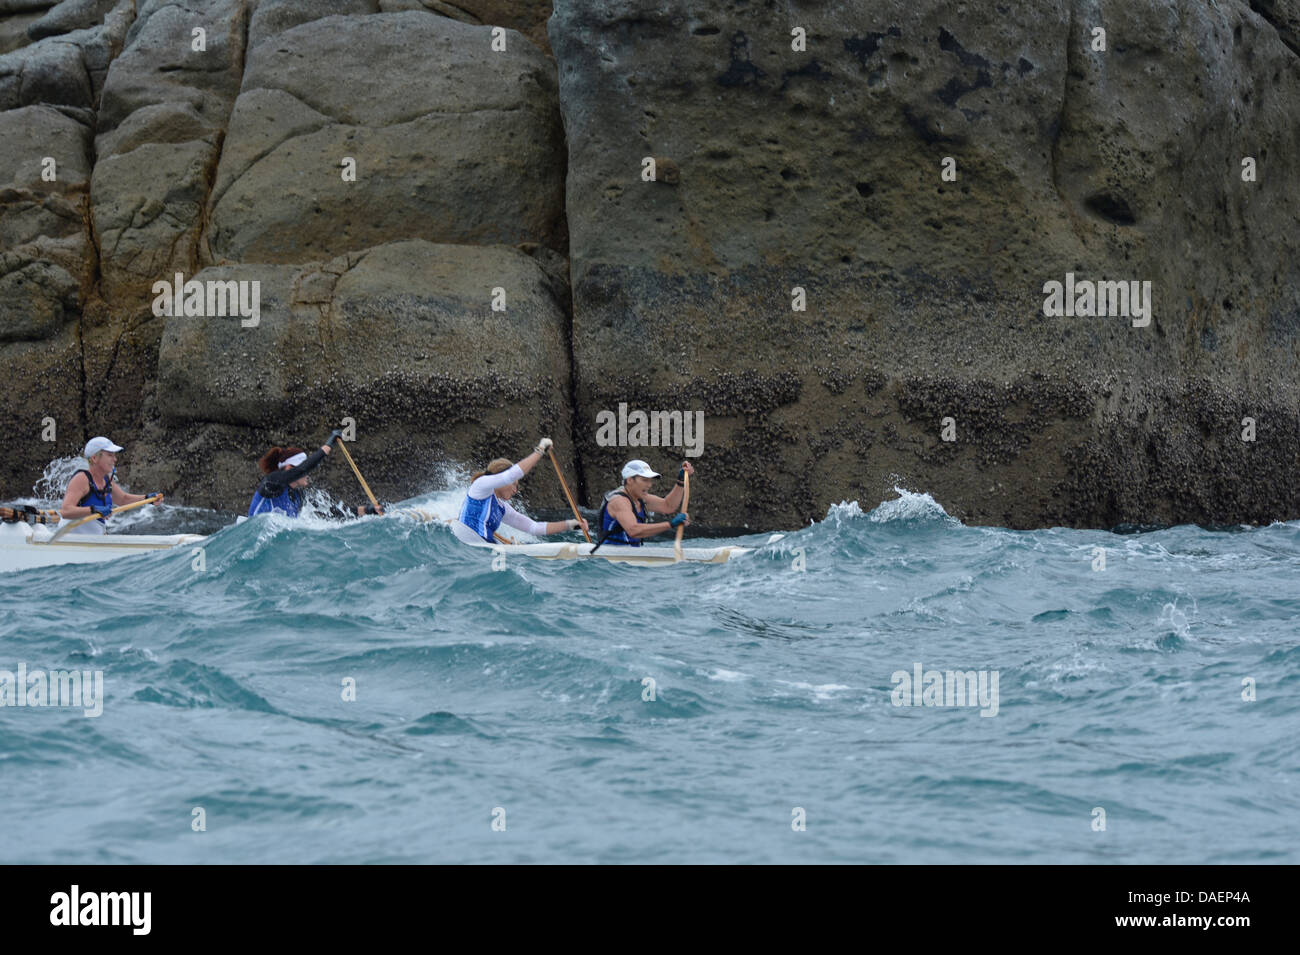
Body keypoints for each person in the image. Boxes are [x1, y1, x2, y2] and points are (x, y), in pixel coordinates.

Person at [453, 437, 589, 544]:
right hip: (467, 548)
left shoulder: (503, 508)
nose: (515, 490)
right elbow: (511, 475)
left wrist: (570, 525)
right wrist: (540, 450)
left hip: (483, 550)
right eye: (514, 484)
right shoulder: (480, 486)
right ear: (499, 479)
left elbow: (534, 528)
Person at [248, 430, 384, 518]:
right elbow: (302, 470)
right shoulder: (271, 483)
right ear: (289, 467)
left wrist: (368, 510)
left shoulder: (299, 496)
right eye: (304, 467)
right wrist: (328, 445)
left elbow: (334, 512)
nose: (307, 474)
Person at [59, 436, 163, 535]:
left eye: (114, 455)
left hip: (93, 538)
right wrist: (93, 509)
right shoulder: (81, 479)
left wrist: (147, 498)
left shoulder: (106, 479)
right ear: (94, 458)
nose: (115, 459)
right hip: (71, 539)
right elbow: (66, 511)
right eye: (110, 455)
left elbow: (123, 499)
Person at [596, 459, 693, 548]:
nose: (649, 485)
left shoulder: (641, 499)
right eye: (644, 480)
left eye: (650, 481)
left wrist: (680, 482)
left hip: (628, 559)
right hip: (609, 560)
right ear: (630, 480)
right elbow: (633, 530)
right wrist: (670, 524)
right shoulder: (619, 502)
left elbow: (668, 506)